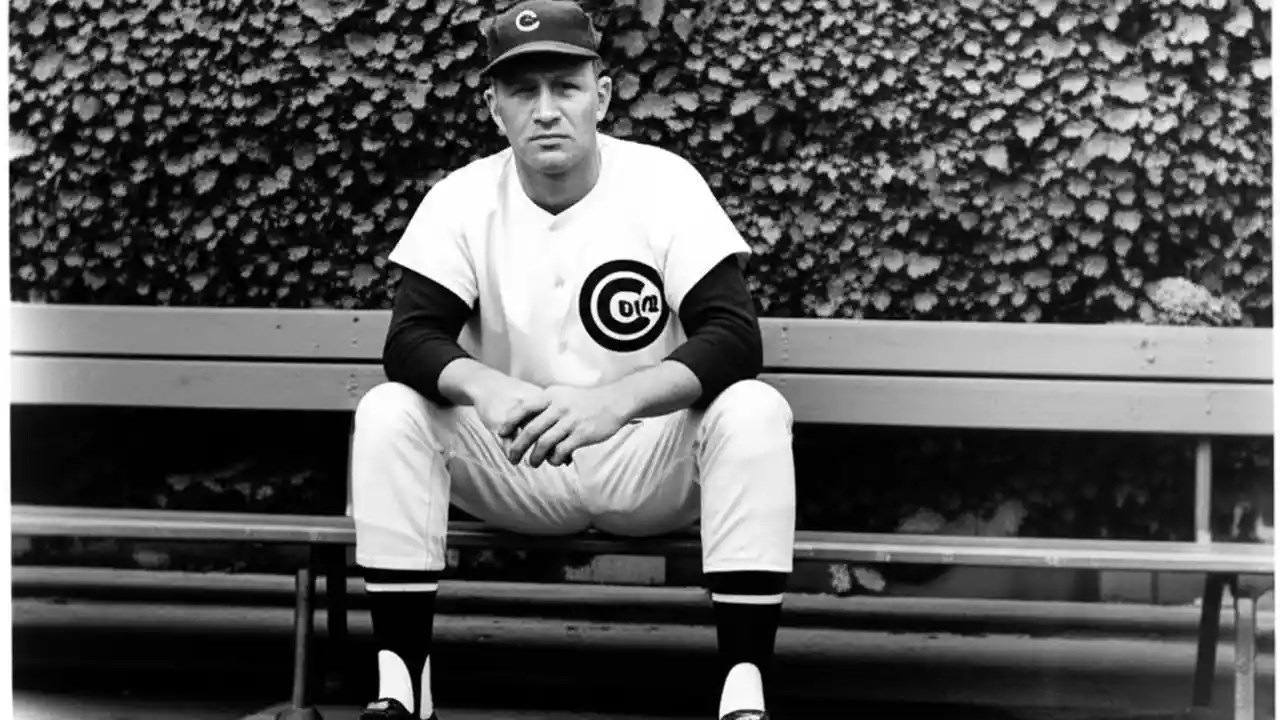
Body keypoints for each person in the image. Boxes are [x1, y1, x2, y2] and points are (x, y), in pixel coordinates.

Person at [350, 1, 796, 718]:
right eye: (524, 91)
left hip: (642, 460)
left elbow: (734, 335)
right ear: (495, 107)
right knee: (390, 410)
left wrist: (613, 403)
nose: (546, 109)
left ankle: (744, 690)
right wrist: (485, 387)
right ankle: (401, 685)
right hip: (517, 458)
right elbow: (409, 339)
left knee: (754, 408)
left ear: (603, 95)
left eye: (566, 86)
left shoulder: (663, 182)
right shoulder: (461, 199)